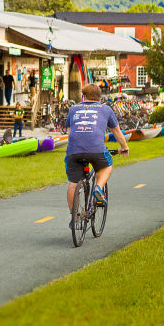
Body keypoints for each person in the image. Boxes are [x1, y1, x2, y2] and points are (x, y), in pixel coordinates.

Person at [64, 82, 129, 226]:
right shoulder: (106, 109)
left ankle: (74, 216)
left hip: (74, 151)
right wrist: (124, 147)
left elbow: (69, 132)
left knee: (73, 184)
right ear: (99, 97)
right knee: (107, 165)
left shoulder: (73, 108)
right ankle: (98, 188)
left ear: (83, 96)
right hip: (96, 149)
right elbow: (117, 131)